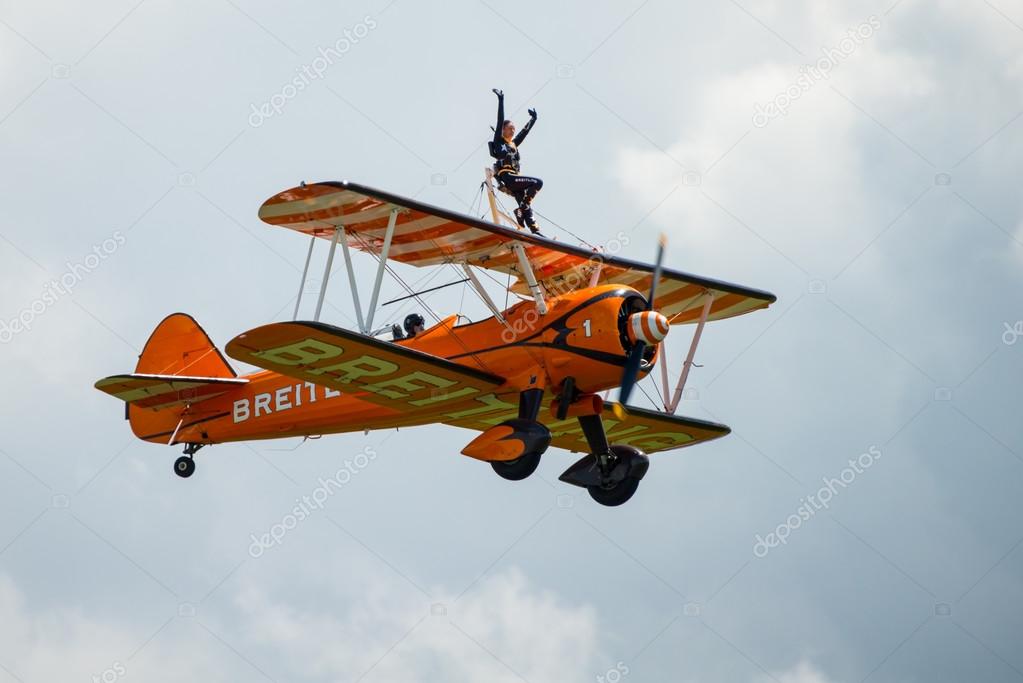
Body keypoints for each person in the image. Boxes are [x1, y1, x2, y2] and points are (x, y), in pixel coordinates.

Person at [489, 88, 543, 234]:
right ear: (502, 130)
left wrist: (533, 119)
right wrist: (501, 100)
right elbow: (500, 120)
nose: (513, 131)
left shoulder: (513, 144)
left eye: (514, 129)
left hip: (515, 180)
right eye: (510, 128)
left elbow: (524, 133)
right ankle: (521, 209)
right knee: (537, 182)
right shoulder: (499, 142)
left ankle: (534, 231)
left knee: (526, 204)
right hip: (508, 178)